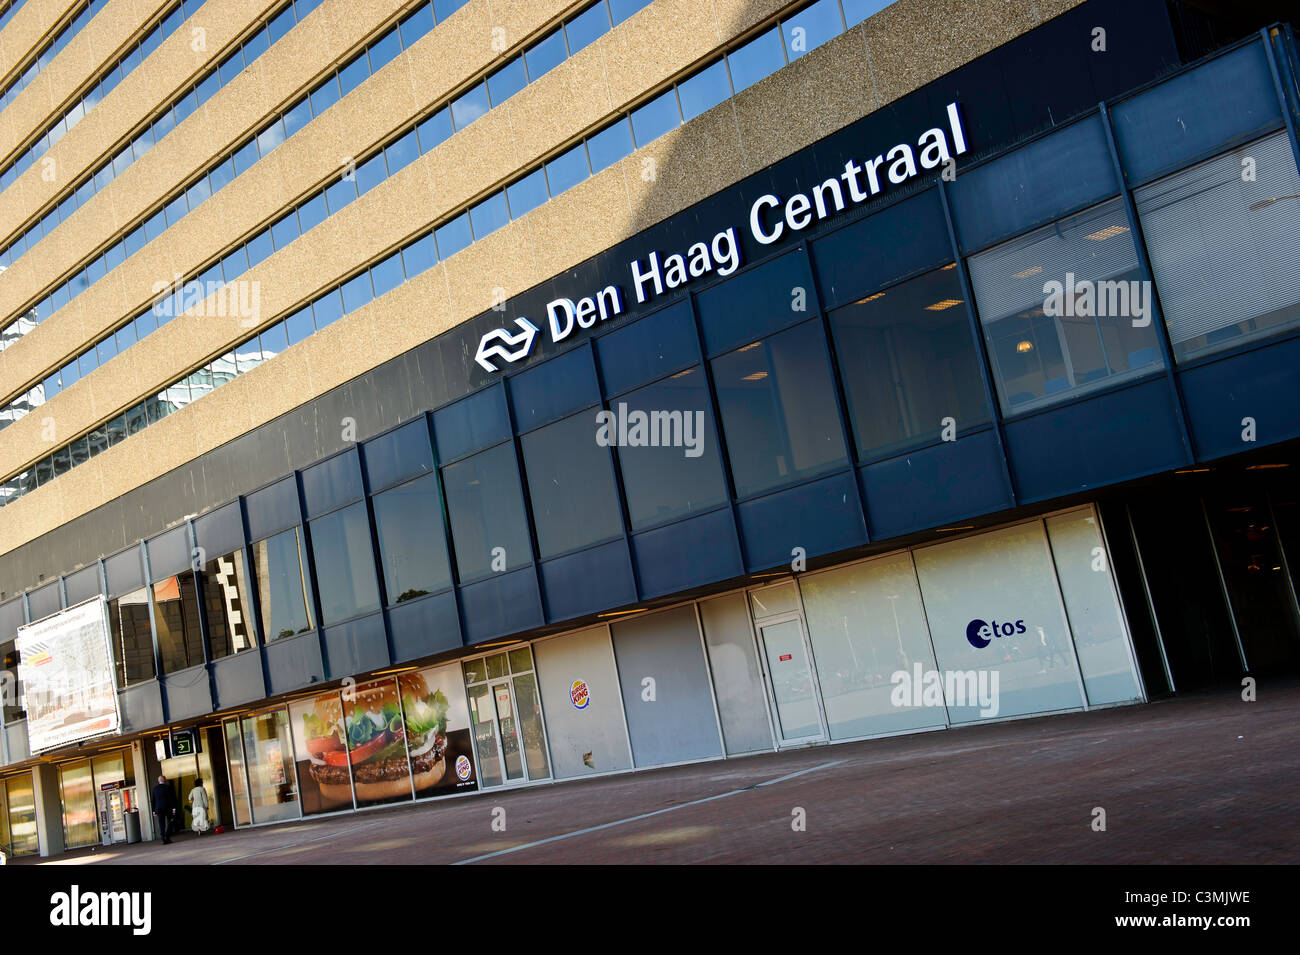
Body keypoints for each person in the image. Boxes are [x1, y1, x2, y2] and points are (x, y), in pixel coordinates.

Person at [151, 775, 178, 845]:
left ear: (158, 781)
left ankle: (163, 838)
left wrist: (153, 810)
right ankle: (167, 836)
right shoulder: (168, 788)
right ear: (164, 780)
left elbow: (153, 800)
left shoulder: (155, 789)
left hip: (158, 808)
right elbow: (171, 798)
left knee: (161, 824)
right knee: (171, 821)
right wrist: (173, 808)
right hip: (167, 808)